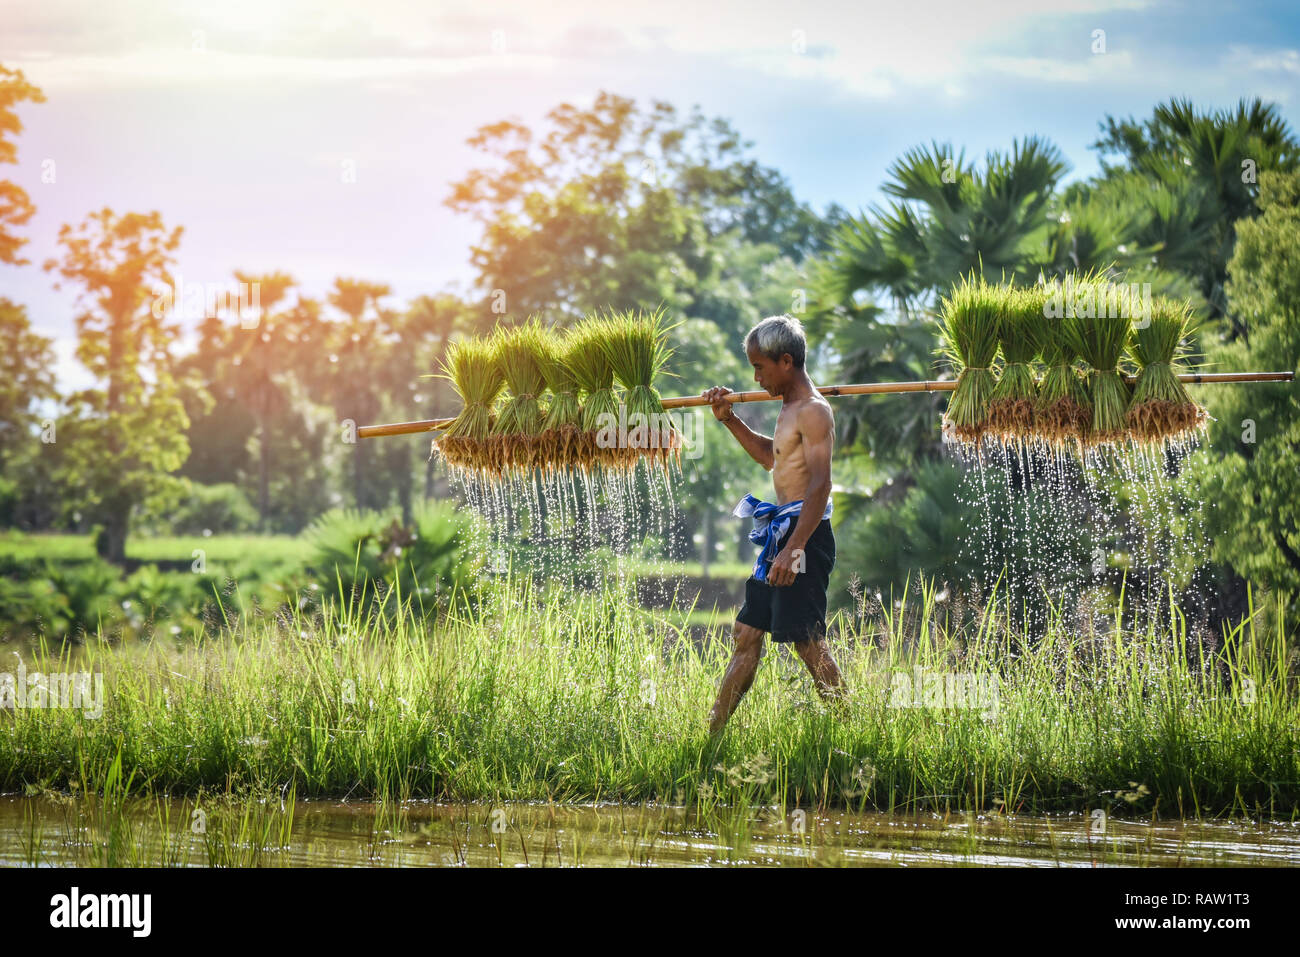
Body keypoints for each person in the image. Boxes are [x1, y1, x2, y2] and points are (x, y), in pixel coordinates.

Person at [702, 314, 847, 738]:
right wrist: (729, 418)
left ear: (786, 362)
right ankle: (711, 738)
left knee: (806, 642)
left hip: (805, 535)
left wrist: (795, 547)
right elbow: (773, 458)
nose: (755, 377)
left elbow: (821, 484)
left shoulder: (815, 412)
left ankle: (849, 728)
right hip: (782, 537)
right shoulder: (787, 408)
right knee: (746, 634)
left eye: (760, 367)